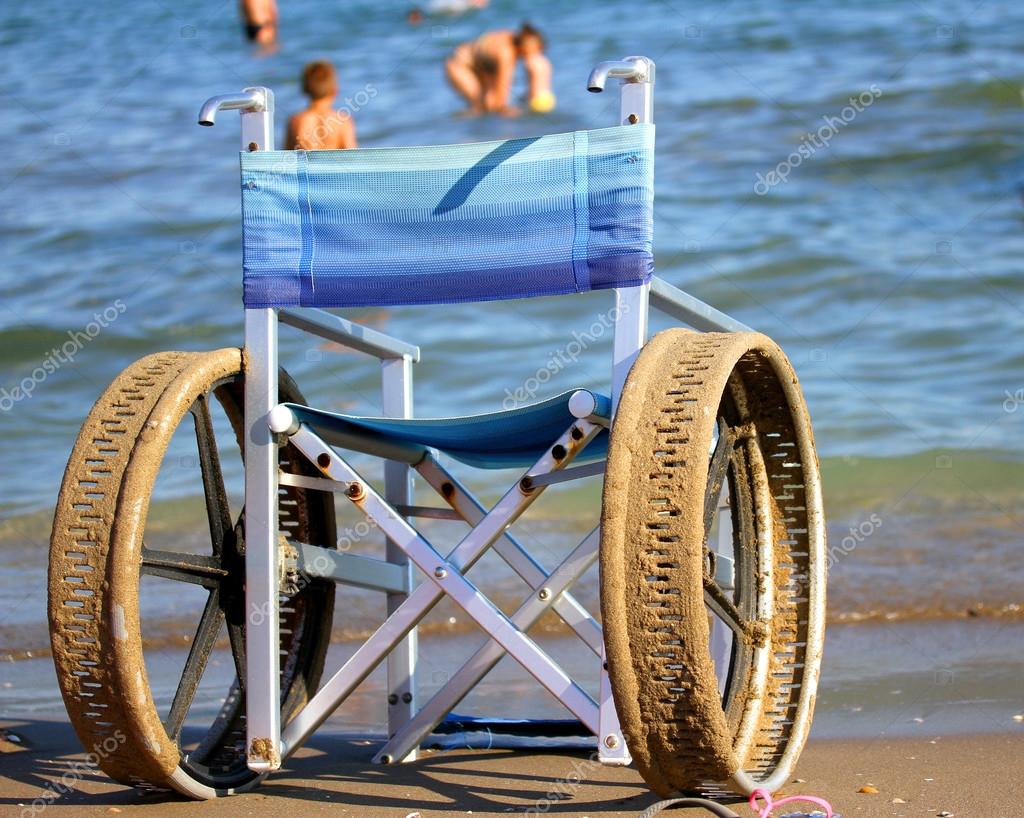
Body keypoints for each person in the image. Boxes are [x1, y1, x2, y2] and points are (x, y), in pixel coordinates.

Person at [445, 23, 554, 116]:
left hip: (481, 66)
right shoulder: (506, 54)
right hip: (458, 65)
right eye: (536, 51)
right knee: (480, 106)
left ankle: (473, 129)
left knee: (488, 105)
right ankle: (467, 133)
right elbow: (501, 99)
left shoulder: (512, 37)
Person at [285, 61, 358, 150]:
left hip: (306, 164)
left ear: (304, 89)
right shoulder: (342, 121)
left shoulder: (295, 121)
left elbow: (286, 156)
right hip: (333, 164)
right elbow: (352, 157)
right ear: (335, 90)